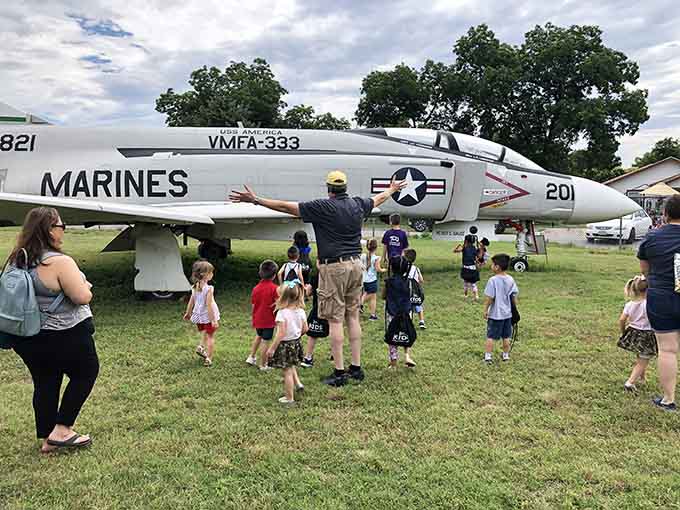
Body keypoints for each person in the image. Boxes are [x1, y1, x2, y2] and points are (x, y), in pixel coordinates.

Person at [230, 171, 406, 387]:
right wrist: (393, 189)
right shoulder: (357, 204)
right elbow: (378, 199)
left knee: (335, 320)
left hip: (335, 267)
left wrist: (257, 200)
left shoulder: (322, 207)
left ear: (329, 188)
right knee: (352, 316)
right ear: (345, 187)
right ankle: (356, 368)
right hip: (356, 265)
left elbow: (286, 207)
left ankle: (339, 372)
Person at [7, 207, 98, 453]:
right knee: (86, 372)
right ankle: (62, 430)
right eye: (61, 226)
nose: (63, 230)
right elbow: (81, 296)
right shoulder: (59, 262)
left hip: (27, 336)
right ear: (49, 230)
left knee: (45, 381)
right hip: (63, 332)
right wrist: (86, 286)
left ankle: (48, 436)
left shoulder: (18, 258)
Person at [637, 194, 680, 411]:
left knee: (668, 350)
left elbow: (645, 270)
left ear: (665, 214)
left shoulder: (652, 237)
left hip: (662, 297)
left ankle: (668, 398)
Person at [267, 280, 307, 405]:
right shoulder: (301, 311)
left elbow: (281, 333)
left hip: (285, 345)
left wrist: (272, 348)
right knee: (291, 365)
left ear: (282, 297)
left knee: (287, 371)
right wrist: (296, 335)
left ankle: (289, 398)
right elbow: (305, 328)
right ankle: (298, 384)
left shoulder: (282, 313)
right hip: (296, 343)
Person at [617, 275, 657, 392]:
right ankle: (630, 383)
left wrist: (624, 331)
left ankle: (642, 377)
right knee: (643, 360)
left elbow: (622, 319)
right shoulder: (650, 304)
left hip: (633, 333)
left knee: (640, 357)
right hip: (647, 335)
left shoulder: (630, 304)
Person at [483, 254, 519, 364]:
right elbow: (514, 297)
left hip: (495, 314)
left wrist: (485, 309)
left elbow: (490, 298)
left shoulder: (493, 280)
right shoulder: (510, 279)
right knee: (506, 336)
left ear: (497, 266)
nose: (491, 266)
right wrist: (514, 309)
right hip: (507, 314)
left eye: (493, 264)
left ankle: (488, 357)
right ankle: (506, 356)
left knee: (490, 336)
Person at [183, 260, 220, 367]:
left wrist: (188, 313)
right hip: (208, 316)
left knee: (205, 331)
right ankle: (209, 358)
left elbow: (191, 301)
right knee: (211, 336)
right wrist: (213, 320)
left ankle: (201, 347)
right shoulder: (209, 289)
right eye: (211, 272)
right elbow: (209, 305)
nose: (212, 274)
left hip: (199, 316)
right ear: (205, 275)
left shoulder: (195, 287)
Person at [383, 256, 416, 368]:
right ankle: (407, 355)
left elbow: (384, 296)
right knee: (406, 332)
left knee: (392, 336)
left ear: (391, 268)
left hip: (392, 313)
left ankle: (393, 361)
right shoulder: (409, 282)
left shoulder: (389, 282)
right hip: (406, 313)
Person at [246, 260, 279, 371]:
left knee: (259, 336)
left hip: (258, 319)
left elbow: (253, 304)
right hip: (268, 321)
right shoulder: (275, 289)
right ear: (274, 275)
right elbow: (278, 304)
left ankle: (251, 357)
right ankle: (263, 365)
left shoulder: (256, 288)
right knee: (266, 341)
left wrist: (254, 317)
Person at [361, 238, 385, 321]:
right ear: (376, 247)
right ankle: (359, 305)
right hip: (372, 280)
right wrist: (384, 270)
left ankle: (373, 315)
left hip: (364, 280)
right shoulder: (377, 258)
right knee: (370, 295)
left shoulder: (363, 255)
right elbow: (378, 269)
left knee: (372, 297)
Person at [403, 248, 426, 329]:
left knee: (407, 307)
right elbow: (421, 280)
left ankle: (408, 322)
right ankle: (421, 321)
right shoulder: (416, 268)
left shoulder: (404, 268)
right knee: (419, 306)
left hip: (406, 291)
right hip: (415, 292)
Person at [454, 234, 481, 301]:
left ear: (466, 240)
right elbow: (478, 257)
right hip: (473, 268)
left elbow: (455, 251)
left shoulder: (464, 248)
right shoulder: (474, 248)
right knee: (473, 284)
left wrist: (459, 245)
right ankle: (476, 296)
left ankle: (465, 295)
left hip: (465, 268)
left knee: (465, 283)